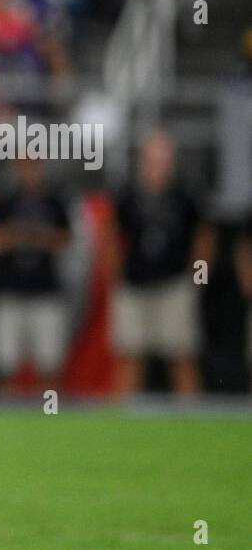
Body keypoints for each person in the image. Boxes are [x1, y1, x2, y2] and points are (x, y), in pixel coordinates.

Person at [107, 131, 212, 396]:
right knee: (131, 356)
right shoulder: (127, 196)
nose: (157, 166)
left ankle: (191, 423)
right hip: (134, 285)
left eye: (163, 160)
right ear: (142, 161)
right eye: (152, 160)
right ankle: (125, 425)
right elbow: (110, 235)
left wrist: (197, 279)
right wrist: (115, 276)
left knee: (182, 356)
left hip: (174, 284)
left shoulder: (185, 196)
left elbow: (204, 237)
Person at [0, 154, 72, 395]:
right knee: (4, 365)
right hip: (10, 292)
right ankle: (3, 422)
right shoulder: (5, 202)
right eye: (23, 166)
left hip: (45, 292)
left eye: (33, 166)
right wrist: (13, 236)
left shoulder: (54, 202)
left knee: (49, 365)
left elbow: (67, 241)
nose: (28, 172)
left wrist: (38, 237)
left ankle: (49, 417)